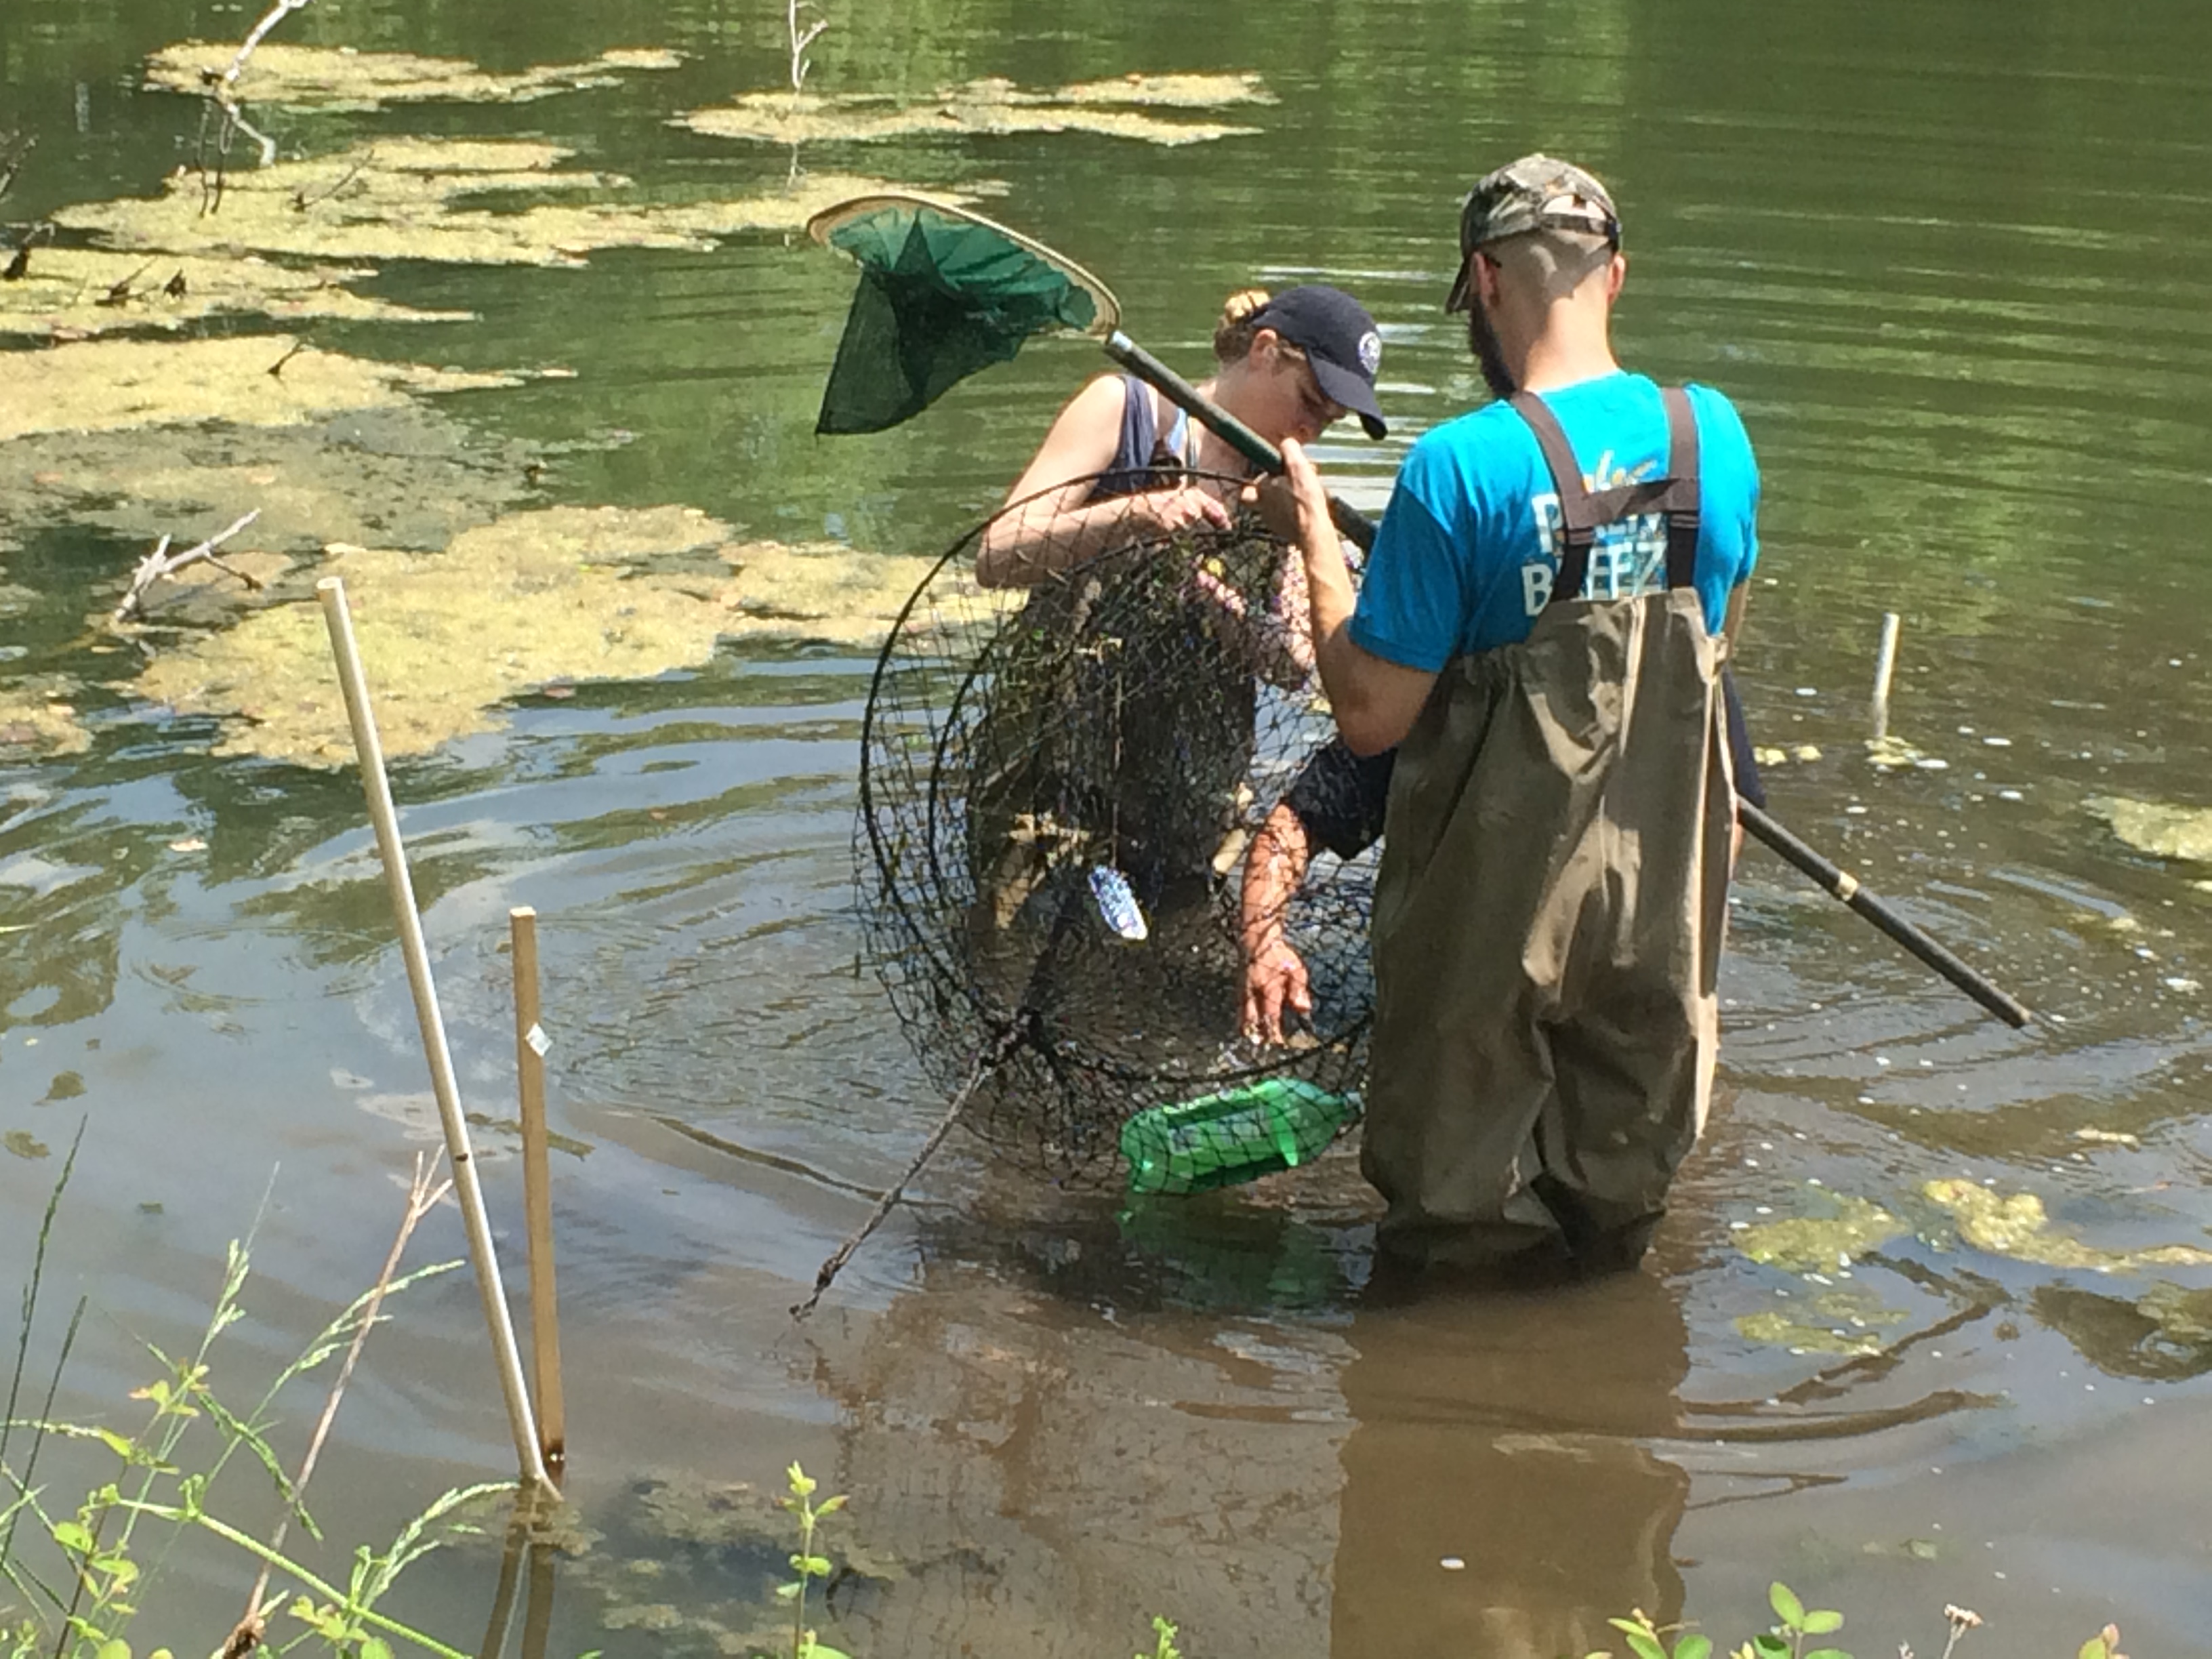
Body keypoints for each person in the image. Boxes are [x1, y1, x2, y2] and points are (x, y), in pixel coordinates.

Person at [1259, 155, 1761, 1273]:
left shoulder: (1457, 467)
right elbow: (1706, 665)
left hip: (1496, 909)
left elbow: (1368, 715)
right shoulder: (1714, 440)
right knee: (1618, 1212)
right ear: (1613, 276)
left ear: (1484, 280)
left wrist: (1312, 536)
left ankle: (1438, 1409)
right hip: (1656, 915)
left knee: (1448, 1225)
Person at [965, 285, 1389, 926]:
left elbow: (1295, 661)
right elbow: (998, 554)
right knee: (1014, 969)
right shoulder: (1126, 411)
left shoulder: (1283, 491)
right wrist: (1135, 515)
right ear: (1266, 352)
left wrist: (1222, 588)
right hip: (1047, 787)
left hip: (1189, 810)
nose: (1307, 433)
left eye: (1324, 423)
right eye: (1307, 404)